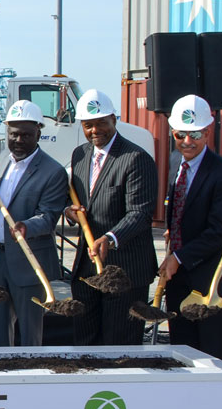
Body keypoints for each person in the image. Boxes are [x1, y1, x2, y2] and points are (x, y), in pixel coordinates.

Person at [64, 89, 157, 347]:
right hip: (87, 269)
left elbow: (140, 212)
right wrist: (69, 211)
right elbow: (77, 200)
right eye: (88, 125)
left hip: (125, 272)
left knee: (119, 347)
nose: (95, 130)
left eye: (101, 123)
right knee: (85, 344)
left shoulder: (135, 158)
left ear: (114, 120)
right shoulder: (80, 155)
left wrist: (111, 238)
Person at [158, 95, 222, 361]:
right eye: (180, 134)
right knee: (182, 354)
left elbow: (220, 232)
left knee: (210, 357)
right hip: (179, 279)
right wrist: (175, 230)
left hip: (210, 281)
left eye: (194, 134)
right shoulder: (175, 162)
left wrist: (179, 257)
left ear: (207, 132)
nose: (187, 141)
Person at [0, 100, 68, 347]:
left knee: (30, 334)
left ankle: (31, 370)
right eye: (14, 134)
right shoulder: (2, 159)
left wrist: (27, 226)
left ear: (38, 133)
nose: (19, 140)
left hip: (28, 261)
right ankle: (0, 368)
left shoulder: (53, 171)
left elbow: (49, 216)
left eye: (26, 135)